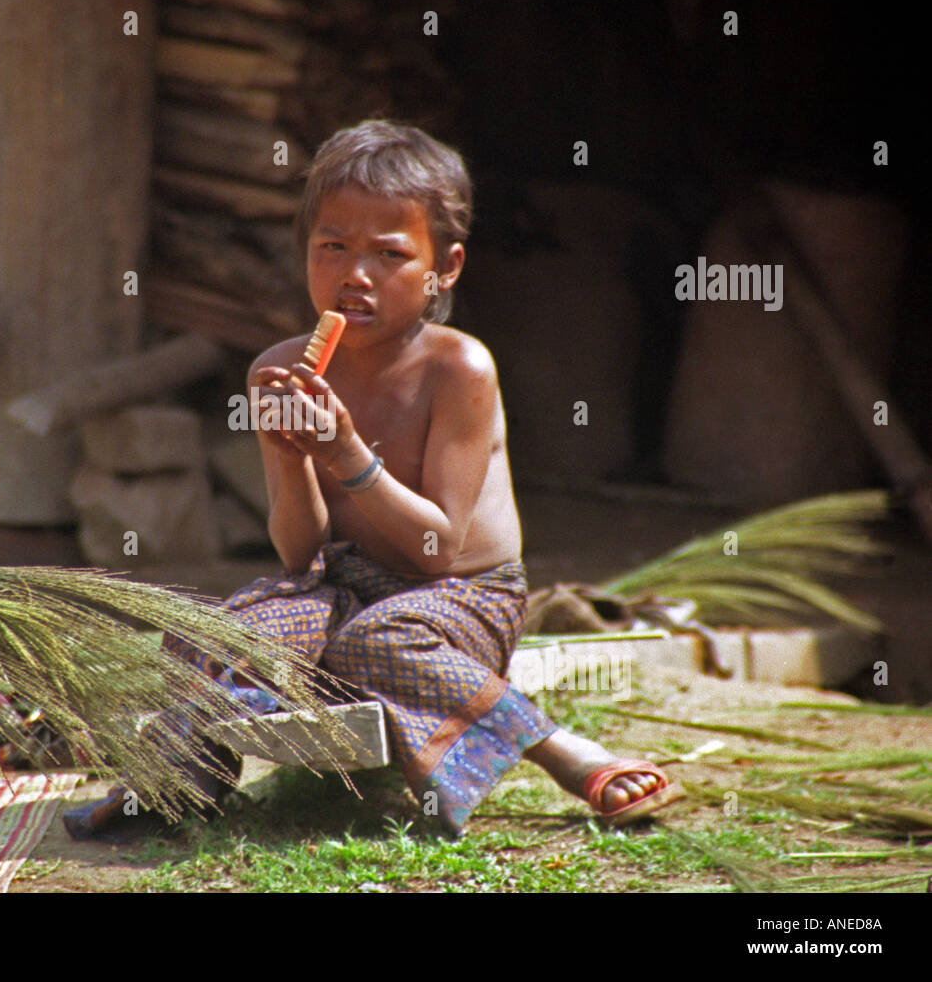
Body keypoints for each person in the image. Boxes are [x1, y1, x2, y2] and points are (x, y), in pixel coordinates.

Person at [65, 119, 682, 839]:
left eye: (389, 253)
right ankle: (176, 784)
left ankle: (561, 750)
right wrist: (290, 454)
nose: (355, 274)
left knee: (371, 642)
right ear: (306, 254)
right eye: (333, 247)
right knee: (215, 635)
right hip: (343, 583)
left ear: (442, 269)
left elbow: (435, 549)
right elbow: (301, 556)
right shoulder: (280, 369)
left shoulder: (459, 370)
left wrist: (349, 454)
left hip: (459, 597)